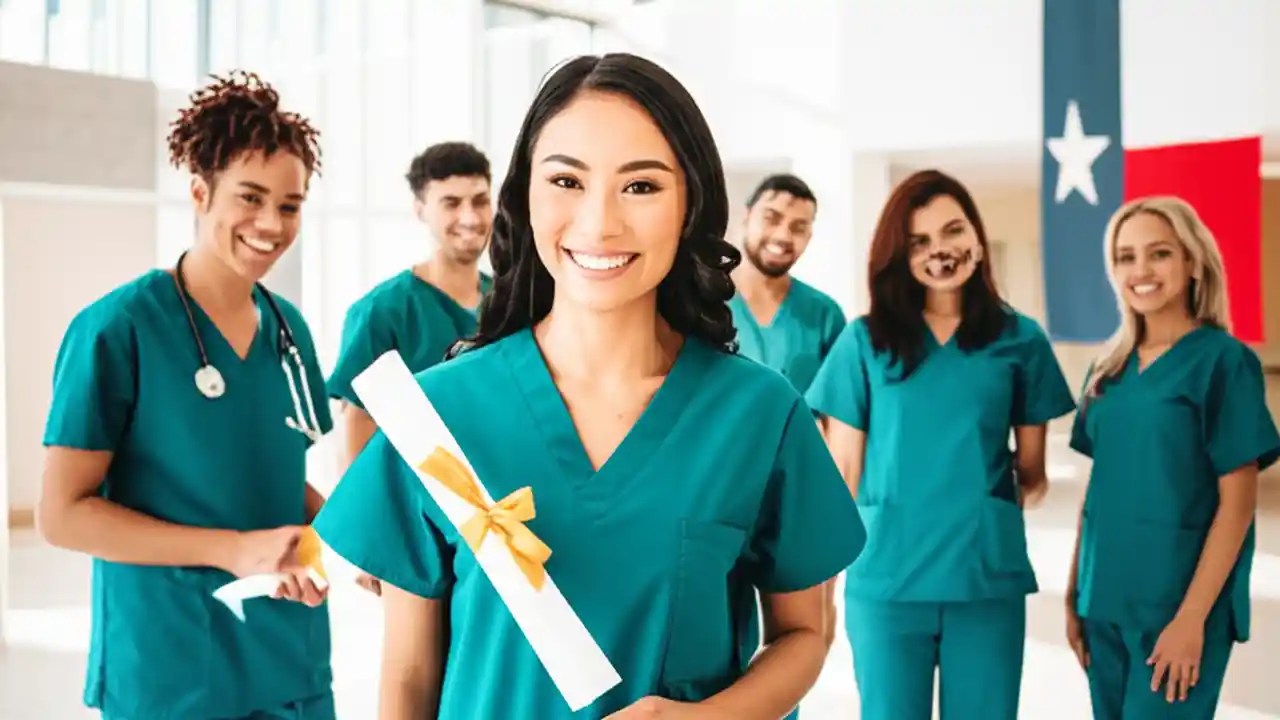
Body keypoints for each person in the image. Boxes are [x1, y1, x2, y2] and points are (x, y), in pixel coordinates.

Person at [312, 52, 865, 719]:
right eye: (567, 181)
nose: (600, 222)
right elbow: (407, 680)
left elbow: (804, 634)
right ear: (524, 199)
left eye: (640, 187)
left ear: (691, 204)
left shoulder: (758, 414)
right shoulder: (438, 415)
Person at [36, 71, 335, 720]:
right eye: (250, 198)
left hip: (288, 651)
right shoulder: (119, 329)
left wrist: (348, 533)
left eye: (290, 205)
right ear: (200, 192)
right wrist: (231, 549)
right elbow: (62, 515)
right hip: (171, 661)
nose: (271, 224)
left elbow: (276, 476)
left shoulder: (290, 330)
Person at [806, 169, 1076, 720]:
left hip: (986, 581)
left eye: (953, 231)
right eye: (919, 241)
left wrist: (980, 512)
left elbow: (1033, 474)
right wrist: (819, 595)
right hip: (886, 583)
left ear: (976, 236)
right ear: (898, 255)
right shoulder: (865, 340)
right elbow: (844, 475)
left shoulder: (1021, 340)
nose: (940, 250)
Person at [1065, 196, 1279, 719]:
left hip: (1176, 608)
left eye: (1159, 253)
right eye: (1125, 256)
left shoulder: (1224, 363)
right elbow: (1099, 490)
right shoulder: (1107, 370)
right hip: (1104, 600)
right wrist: (1075, 592)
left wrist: (1192, 620)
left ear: (1192, 262)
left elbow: (1237, 505)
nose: (1140, 270)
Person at [326, 142, 493, 596]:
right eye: (451, 203)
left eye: (480, 200)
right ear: (421, 210)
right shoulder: (384, 311)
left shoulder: (509, 305)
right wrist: (369, 537)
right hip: (416, 521)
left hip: (499, 521)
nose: (471, 217)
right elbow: (356, 425)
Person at [729, 173, 844, 395]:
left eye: (799, 227)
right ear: (746, 217)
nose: (783, 236)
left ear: (809, 236)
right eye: (771, 218)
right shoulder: (704, 301)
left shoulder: (825, 316)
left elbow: (837, 410)